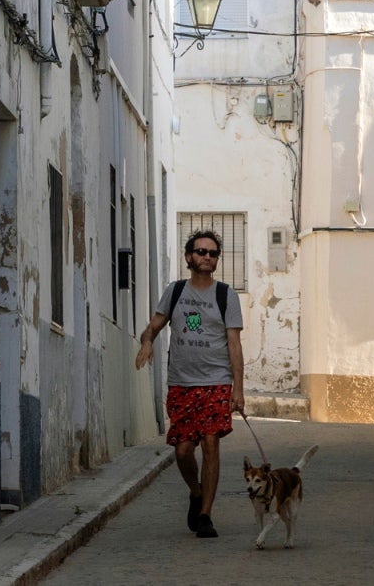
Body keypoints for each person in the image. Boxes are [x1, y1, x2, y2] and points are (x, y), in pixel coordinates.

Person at [134, 229, 244, 538]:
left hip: (216, 382)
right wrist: (146, 342)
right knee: (182, 452)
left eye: (212, 253)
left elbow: (234, 344)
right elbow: (153, 327)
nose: (207, 257)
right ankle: (195, 492)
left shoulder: (226, 295)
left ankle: (206, 514)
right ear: (188, 257)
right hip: (181, 383)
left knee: (211, 442)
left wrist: (239, 389)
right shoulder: (176, 291)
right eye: (201, 252)